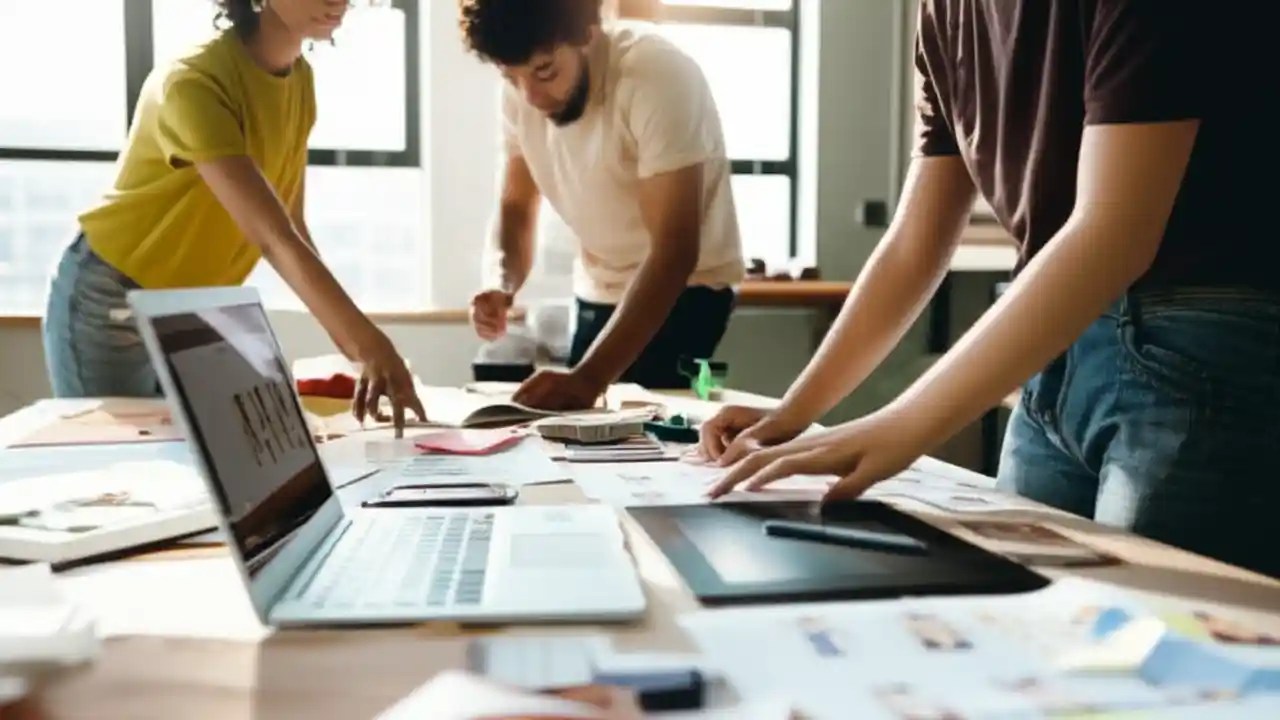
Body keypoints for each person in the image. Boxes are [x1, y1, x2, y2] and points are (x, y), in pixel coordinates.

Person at [698, 0, 1278, 577]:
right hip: (1057, 346)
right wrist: (793, 412)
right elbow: (913, 245)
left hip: (1198, 338)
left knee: (1162, 634)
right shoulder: (943, 14)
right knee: (1028, 619)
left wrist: (900, 424)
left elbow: (1115, 230)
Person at [43, 0, 424, 433]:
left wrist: (358, 351)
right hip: (110, 298)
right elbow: (273, 237)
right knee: (110, 461)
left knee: (200, 463)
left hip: (188, 308)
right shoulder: (194, 81)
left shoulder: (299, 80)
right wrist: (370, 347)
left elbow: (291, 228)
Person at [458, 0, 744, 410]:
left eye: (544, 71)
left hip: (688, 289)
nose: (531, 97)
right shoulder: (522, 91)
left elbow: (675, 250)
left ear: (588, 35)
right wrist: (501, 283)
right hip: (599, 285)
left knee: (650, 436)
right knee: (575, 426)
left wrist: (590, 377)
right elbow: (517, 207)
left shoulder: (655, 74)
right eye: (511, 76)